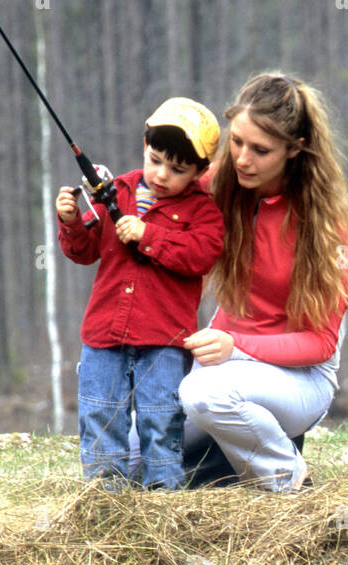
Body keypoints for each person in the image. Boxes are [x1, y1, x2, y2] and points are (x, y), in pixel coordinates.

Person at [179, 74, 348, 493]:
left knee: (204, 395)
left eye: (260, 150)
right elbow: (160, 186)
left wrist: (237, 347)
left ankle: (292, 483)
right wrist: (110, 192)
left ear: (294, 150)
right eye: (238, 141)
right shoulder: (225, 183)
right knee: (128, 455)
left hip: (302, 378)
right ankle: (227, 462)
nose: (243, 158)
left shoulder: (329, 228)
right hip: (226, 362)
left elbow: (320, 344)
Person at [56, 99, 224, 489]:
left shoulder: (204, 212)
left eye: (178, 169)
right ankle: (104, 501)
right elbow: (83, 251)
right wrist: (69, 222)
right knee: (100, 417)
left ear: (201, 171)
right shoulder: (115, 190)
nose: (162, 174)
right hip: (104, 335)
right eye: (156, 160)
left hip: (163, 340)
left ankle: (164, 503)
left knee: (161, 421)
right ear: (144, 146)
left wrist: (149, 236)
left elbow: (200, 256)